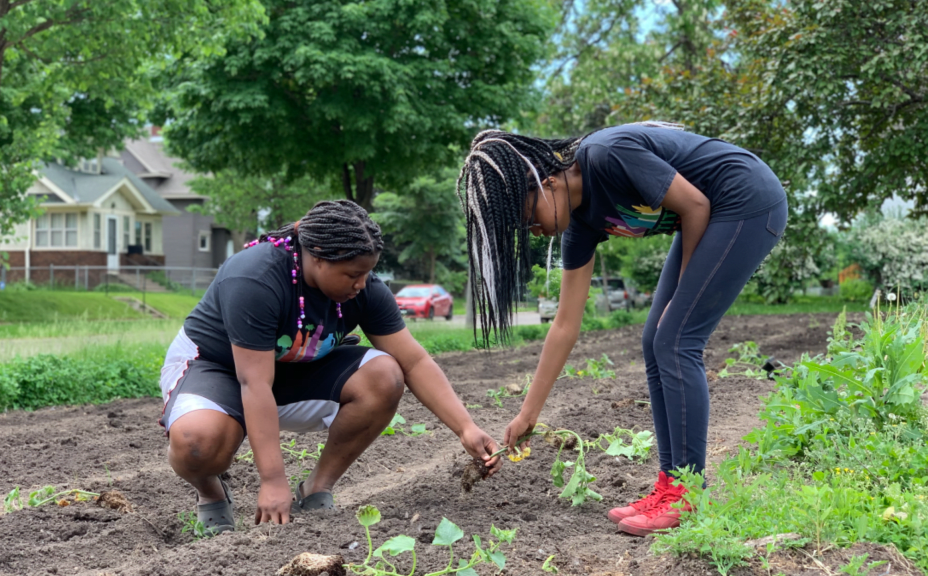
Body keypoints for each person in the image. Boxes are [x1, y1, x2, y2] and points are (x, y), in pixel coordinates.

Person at [456, 123, 787, 536]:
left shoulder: (606, 155)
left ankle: (686, 494)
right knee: (655, 341)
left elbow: (695, 205)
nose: (534, 232)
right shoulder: (581, 225)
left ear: (546, 183)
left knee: (675, 338)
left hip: (745, 200)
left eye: (529, 218)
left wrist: (681, 298)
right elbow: (565, 324)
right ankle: (670, 484)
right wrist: (528, 414)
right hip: (711, 211)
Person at [159, 200, 501, 531]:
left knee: (385, 375)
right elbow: (255, 383)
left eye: (367, 273)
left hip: (294, 370)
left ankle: (316, 488)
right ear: (318, 256)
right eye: (352, 274)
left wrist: (466, 428)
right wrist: (273, 480)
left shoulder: (364, 290)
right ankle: (211, 492)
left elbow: (414, 361)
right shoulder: (255, 278)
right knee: (196, 441)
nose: (361, 284)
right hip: (217, 368)